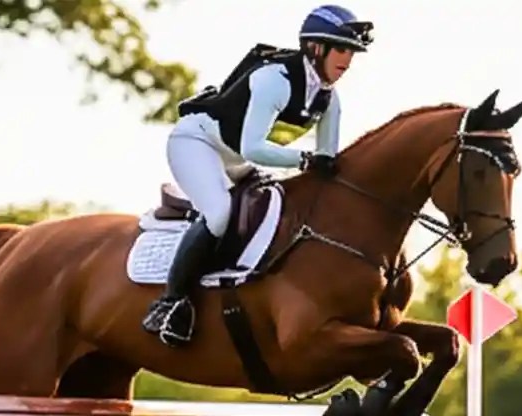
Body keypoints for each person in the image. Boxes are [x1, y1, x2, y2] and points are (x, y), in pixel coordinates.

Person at [141, 4, 374, 347]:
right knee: (219, 213)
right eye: (341, 49)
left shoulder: (328, 99)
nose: (347, 60)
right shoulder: (274, 80)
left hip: (235, 158)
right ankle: (170, 302)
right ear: (316, 47)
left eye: (352, 52)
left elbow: (327, 160)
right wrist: (305, 160)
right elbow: (253, 148)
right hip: (198, 143)